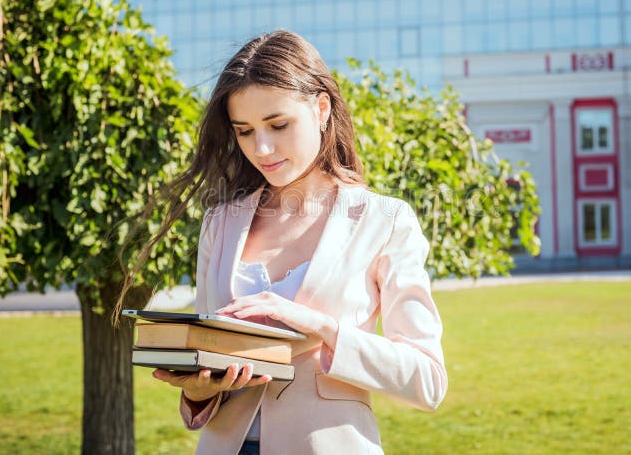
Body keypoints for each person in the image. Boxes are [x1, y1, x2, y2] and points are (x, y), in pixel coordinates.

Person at [136, 30, 446, 455]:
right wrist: (198, 391)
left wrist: (318, 325)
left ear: (321, 109)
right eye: (244, 131)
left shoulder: (385, 221)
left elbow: (427, 380)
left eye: (278, 125)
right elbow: (211, 352)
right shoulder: (220, 222)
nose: (261, 148)